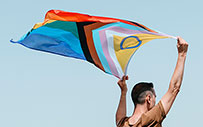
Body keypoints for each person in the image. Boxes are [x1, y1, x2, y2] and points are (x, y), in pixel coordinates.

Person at [116, 37, 188, 127]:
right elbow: (174, 89)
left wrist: (123, 92)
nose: (155, 102)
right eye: (155, 98)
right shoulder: (151, 119)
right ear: (148, 98)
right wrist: (182, 54)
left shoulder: (123, 124)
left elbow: (119, 119)